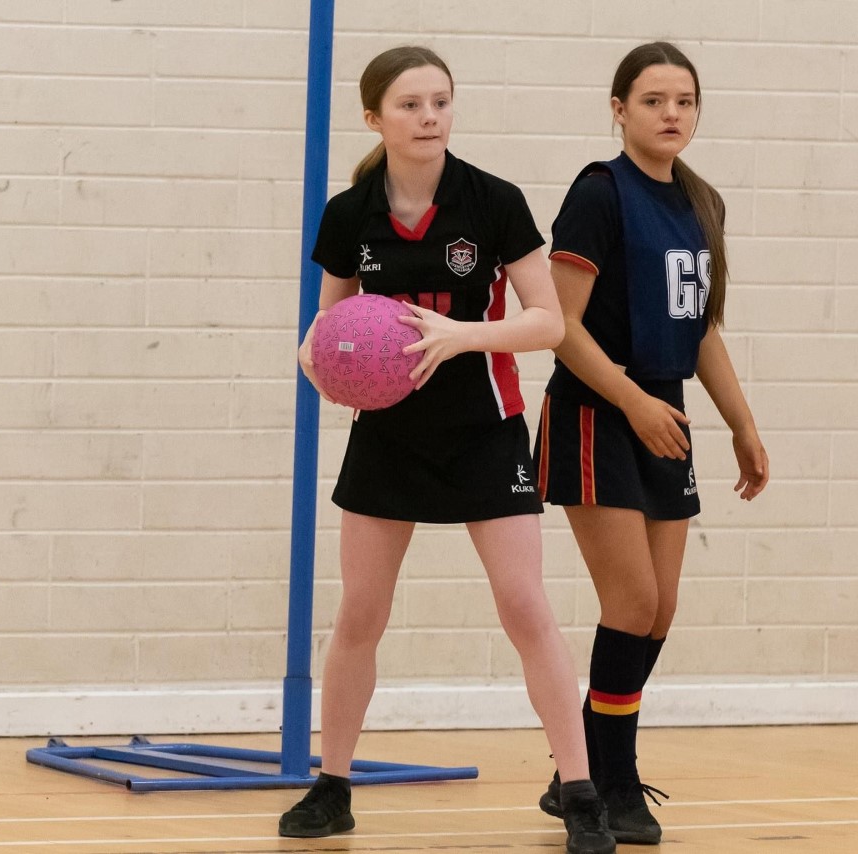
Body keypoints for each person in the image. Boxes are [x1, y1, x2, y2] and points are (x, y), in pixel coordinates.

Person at [279, 46, 615, 854]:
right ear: (374, 118)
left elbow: (548, 322)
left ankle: (579, 791)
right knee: (360, 613)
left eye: (440, 102)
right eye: (410, 105)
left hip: (484, 429)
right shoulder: (349, 213)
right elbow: (327, 327)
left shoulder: (492, 201)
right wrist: (317, 360)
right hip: (388, 434)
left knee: (525, 606)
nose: (429, 117)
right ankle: (333, 786)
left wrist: (462, 336)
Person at [532, 41, 769, 845]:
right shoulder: (599, 194)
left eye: (685, 101)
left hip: (663, 410)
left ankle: (582, 765)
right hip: (600, 407)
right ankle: (609, 781)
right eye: (654, 100)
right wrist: (632, 401)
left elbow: (701, 330)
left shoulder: (700, 203)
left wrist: (742, 423)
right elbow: (560, 326)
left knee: (660, 608)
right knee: (631, 601)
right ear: (619, 109)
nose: (672, 113)